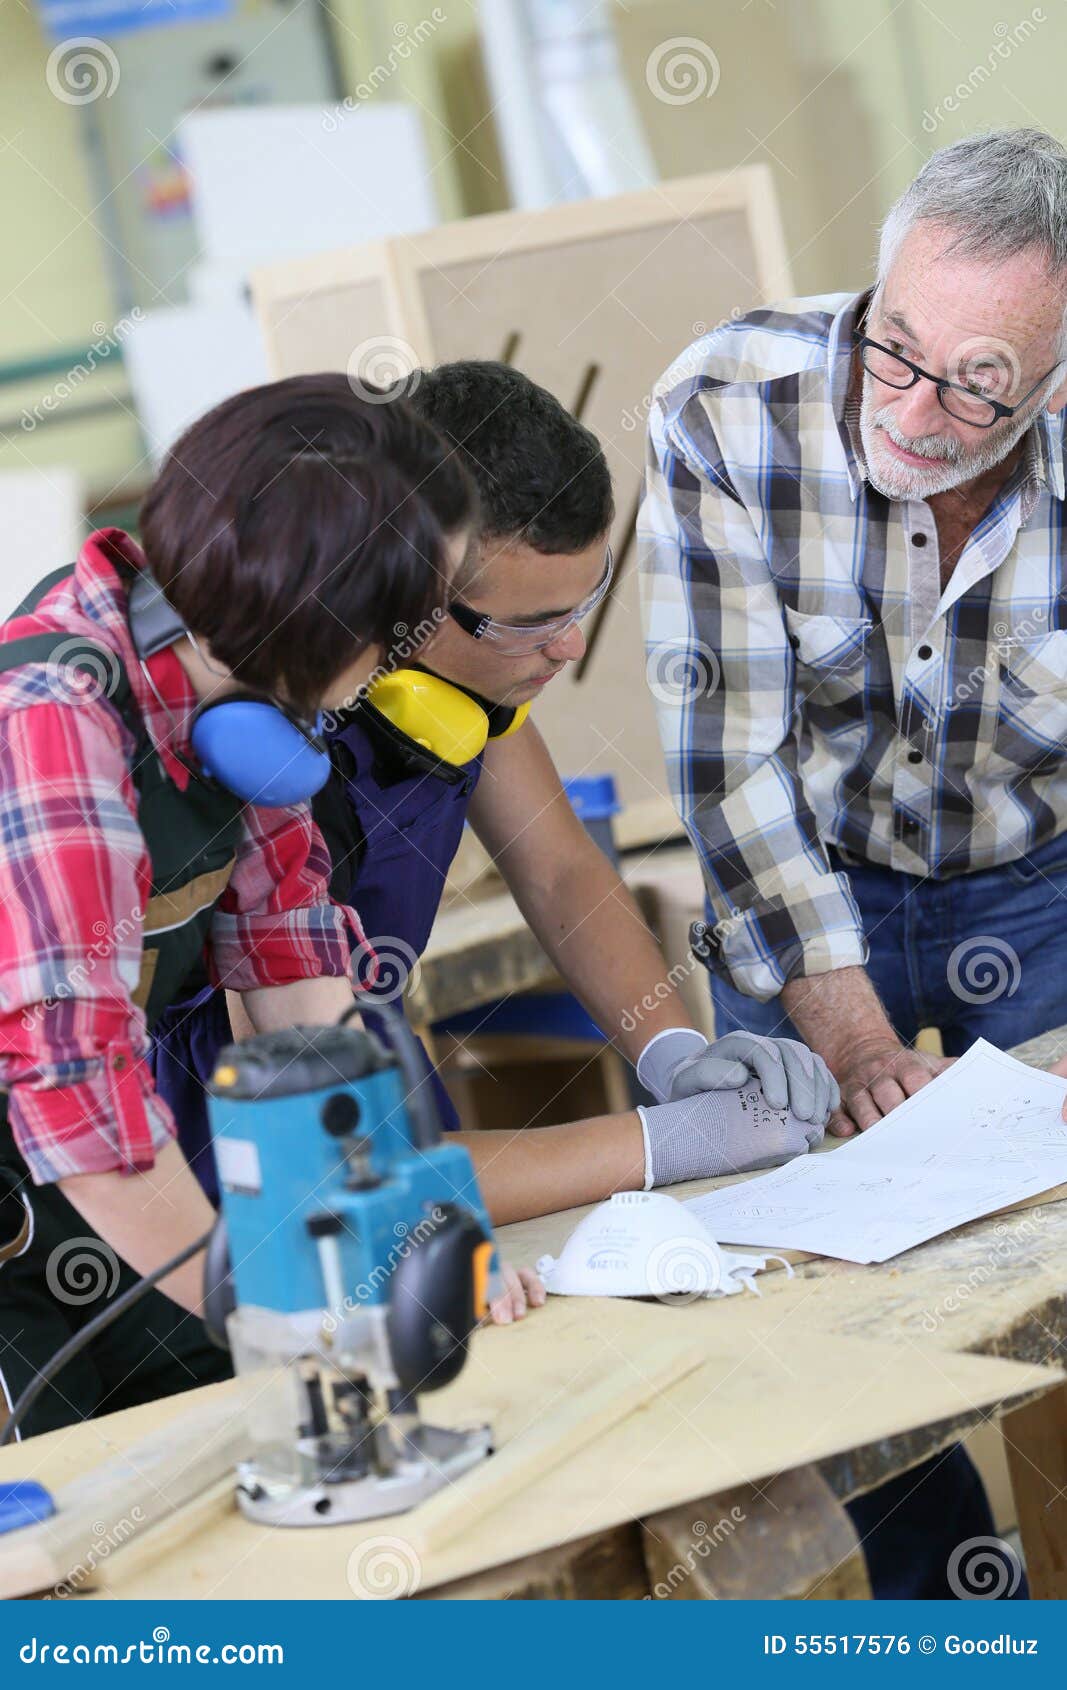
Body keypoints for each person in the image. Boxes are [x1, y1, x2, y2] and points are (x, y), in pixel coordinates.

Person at [638, 129, 1063, 1597]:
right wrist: (856, 1042)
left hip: (1038, 878)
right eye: (894, 348)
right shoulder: (723, 407)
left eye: (977, 385)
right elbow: (728, 764)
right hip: (800, 880)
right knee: (815, 1289)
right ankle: (934, 1612)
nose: (913, 411)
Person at [151, 360, 836, 1231]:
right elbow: (347, 1172)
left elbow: (559, 872)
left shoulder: (464, 692)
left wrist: (671, 1053)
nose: (569, 646)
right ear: (404, 591)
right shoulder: (273, 765)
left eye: (584, 600)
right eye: (530, 623)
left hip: (374, 1080)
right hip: (222, 1164)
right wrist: (668, 1143)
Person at [0, 372, 516, 1439]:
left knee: (231, 1429)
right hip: (52, 1161)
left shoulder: (233, 683)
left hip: (82, 1179)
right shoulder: (52, 718)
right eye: (397, 627)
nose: (402, 656)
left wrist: (407, 1229)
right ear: (317, 623)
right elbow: (75, 1091)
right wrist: (290, 1318)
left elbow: (297, 981)